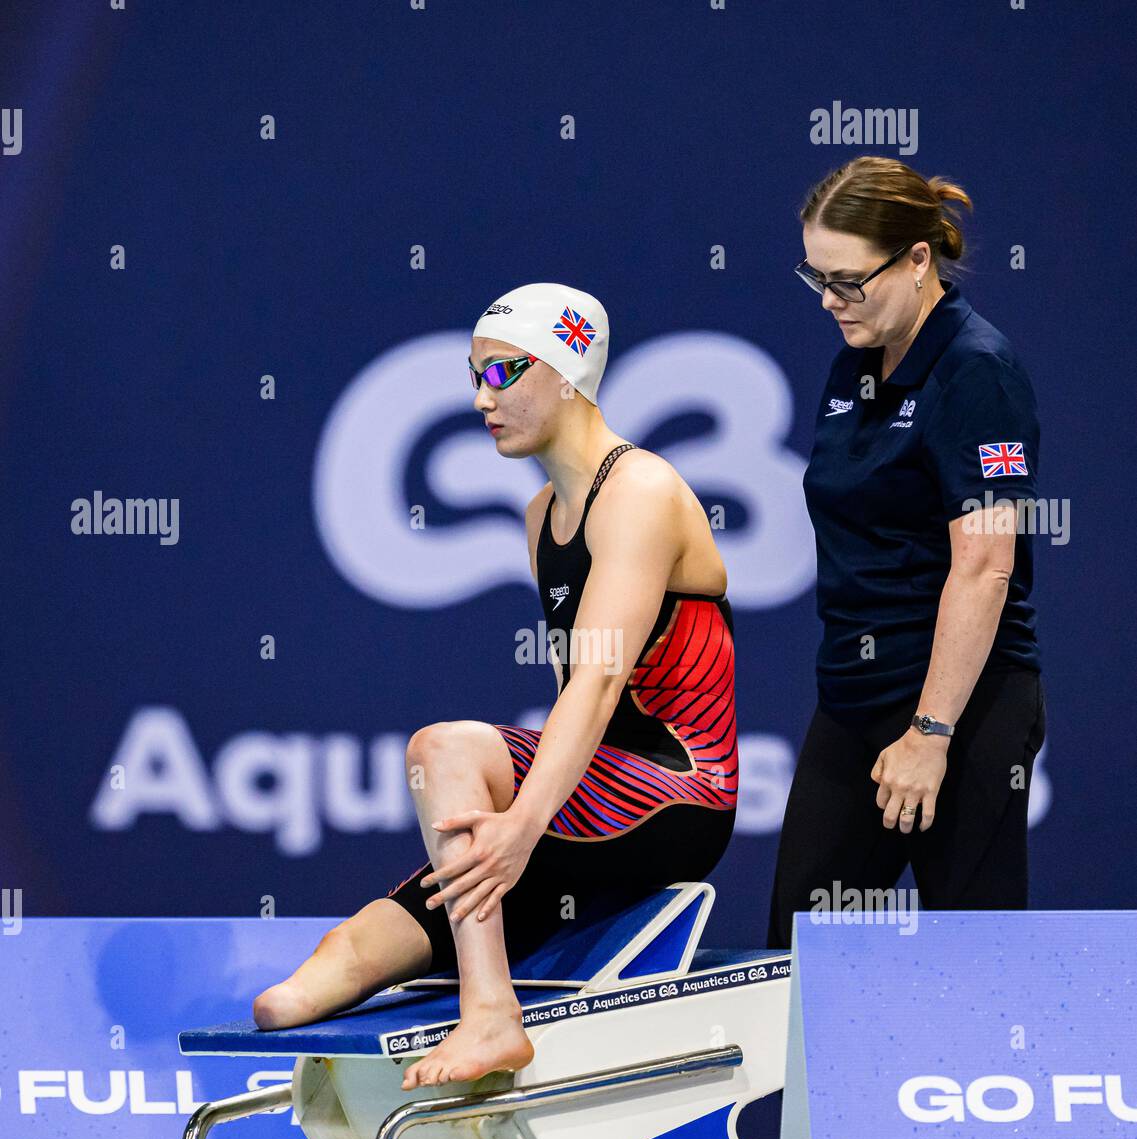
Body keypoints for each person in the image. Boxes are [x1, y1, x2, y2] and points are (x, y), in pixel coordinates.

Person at [255, 282, 738, 1088]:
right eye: (473, 377)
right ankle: (476, 986)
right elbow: (567, 702)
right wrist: (518, 833)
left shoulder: (641, 490)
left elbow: (599, 678)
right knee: (298, 995)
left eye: (504, 373)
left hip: (682, 792)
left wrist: (519, 830)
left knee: (442, 749)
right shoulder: (541, 515)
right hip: (586, 802)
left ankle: (491, 1016)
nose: (482, 398)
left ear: (567, 371)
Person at [768, 157, 1046, 949]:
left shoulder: (975, 371)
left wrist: (929, 734)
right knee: (801, 954)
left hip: (962, 708)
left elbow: (985, 567)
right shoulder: (853, 359)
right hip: (853, 702)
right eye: (815, 276)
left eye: (848, 280)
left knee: (974, 958)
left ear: (917, 259)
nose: (828, 301)